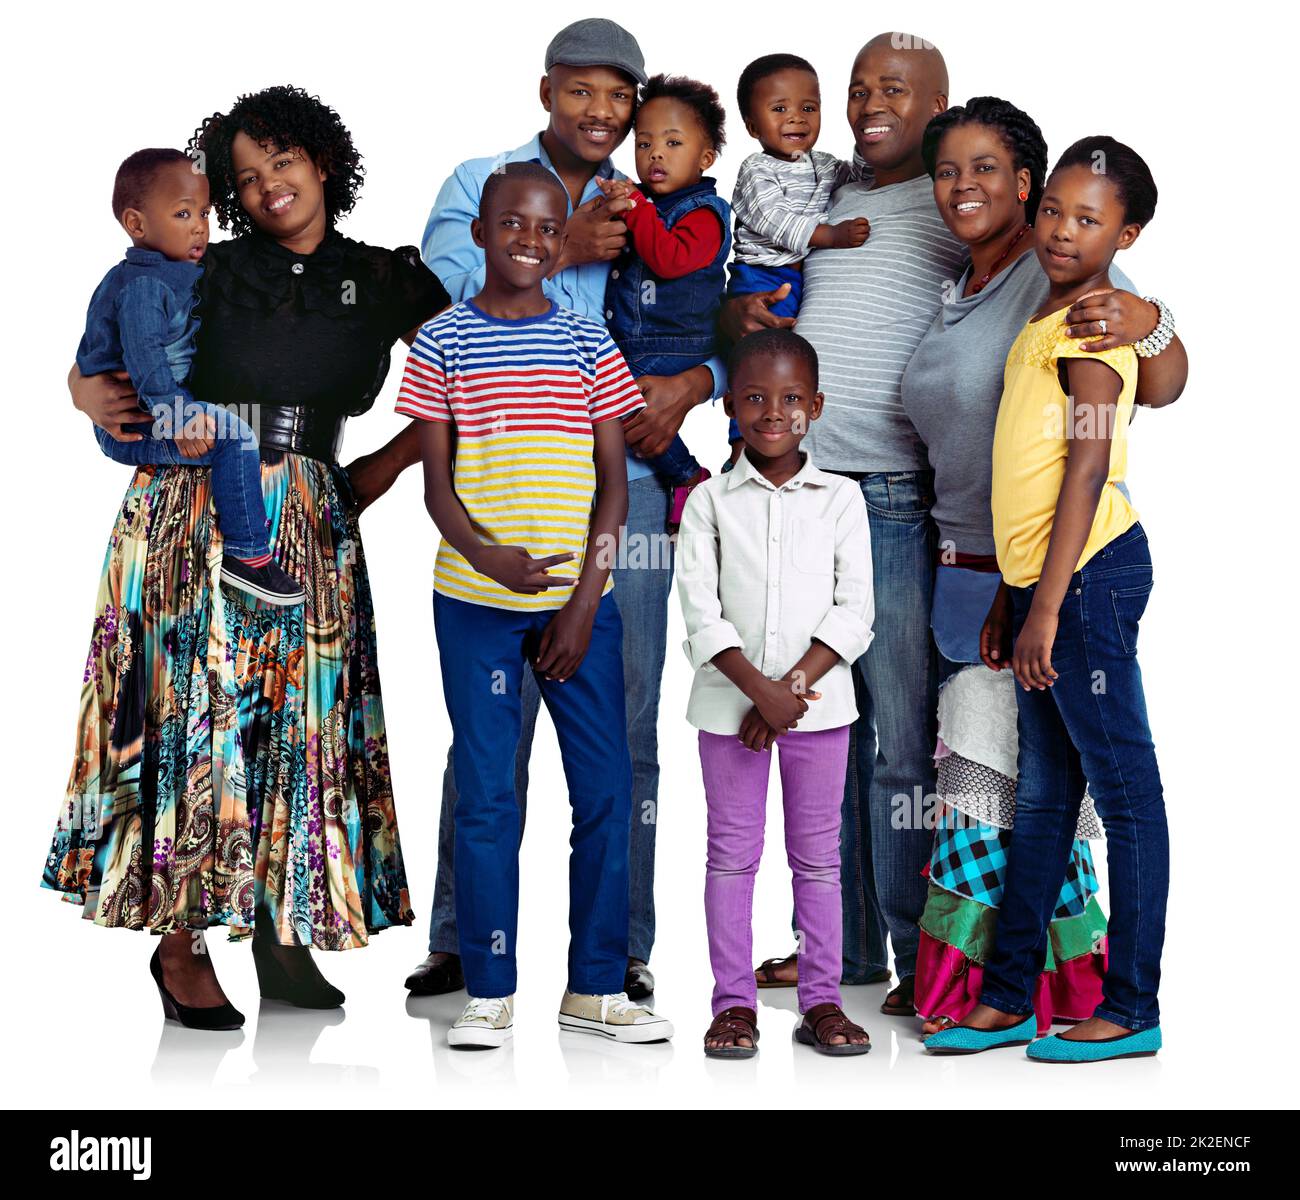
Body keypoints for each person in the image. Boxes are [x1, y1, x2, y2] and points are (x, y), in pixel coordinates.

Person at [48, 85, 448, 1028]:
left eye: (283, 162)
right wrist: (78, 388)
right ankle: (178, 948)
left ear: (322, 161)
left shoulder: (385, 274)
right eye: (245, 176)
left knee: (302, 716)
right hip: (191, 502)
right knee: (194, 712)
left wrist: (383, 468)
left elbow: (467, 368)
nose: (268, 186)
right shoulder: (202, 265)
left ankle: (284, 928)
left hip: (309, 501)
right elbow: (111, 336)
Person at [408, 18, 723, 1002]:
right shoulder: (479, 182)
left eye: (617, 98)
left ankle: (617, 949)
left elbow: (723, 306)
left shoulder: (655, 195)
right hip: (501, 470)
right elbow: (435, 299)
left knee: (623, 716)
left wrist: (703, 375)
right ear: (546, 90)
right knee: (486, 736)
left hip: (618, 476)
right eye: (581, 91)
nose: (601, 111)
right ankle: (463, 939)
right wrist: (559, 247)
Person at [902, 97, 1187, 1035]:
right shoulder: (1051, 309)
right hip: (1040, 582)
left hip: (1090, 578)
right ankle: (1009, 996)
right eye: (1056, 212)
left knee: (1124, 790)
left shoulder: (1102, 325)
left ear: (1127, 233)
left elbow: (1088, 466)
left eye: (1088, 219)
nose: (1064, 231)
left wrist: (1047, 605)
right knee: (1043, 791)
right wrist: (1016, 594)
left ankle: (1132, 1006)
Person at [399, 162, 674, 1048]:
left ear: (564, 243)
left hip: (579, 609)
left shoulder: (590, 341)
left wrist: (586, 602)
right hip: (475, 604)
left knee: (604, 788)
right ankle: (489, 984)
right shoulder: (441, 342)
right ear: (480, 233)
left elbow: (614, 491)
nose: (529, 239)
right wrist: (487, 557)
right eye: (511, 224)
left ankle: (596, 986)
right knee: (487, 794)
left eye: (548, 229)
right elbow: (437, 487)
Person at [733, 32, 964, 1012]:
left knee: (903, 745)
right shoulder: (819, 196)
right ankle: (846, 947)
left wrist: (1143, 323)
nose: (871, 103)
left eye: (895, 90)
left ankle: (916, 958)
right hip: (804, 498)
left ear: (938, 105)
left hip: (893, 499)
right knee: (825, 729)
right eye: (858, 88)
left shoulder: (953, 200)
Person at [679, 330, 873, 1058]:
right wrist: (757, 693)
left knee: (818, 860)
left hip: (818, 710)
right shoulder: (708, 501)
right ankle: (733, 1006)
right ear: (730, 406)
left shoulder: (843, 500)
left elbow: (855, 609)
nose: (773, 412)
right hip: (730, 705)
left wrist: (788, 692)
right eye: (756, 397)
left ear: (815, 407)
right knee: (731, 856)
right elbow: (701, 611)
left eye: (791, 399)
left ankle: (821, 1000)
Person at [78, 148, 302, 605]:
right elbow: (144, 359)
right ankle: (249, 557)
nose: (200, 225)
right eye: (183, 213)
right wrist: (177, 416)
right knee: (234, 437)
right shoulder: (145, 285)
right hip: (140, 420)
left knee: (231, 436)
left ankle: (245, 553)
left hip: (155, 412)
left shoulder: (173, 272)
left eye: (204, 212)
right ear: (137, 225)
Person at [718, 54, 869, 459]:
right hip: (763, 275)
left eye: (809, 108)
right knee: (761, 361)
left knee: (792, 364)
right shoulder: (756, 169)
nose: (796, 119)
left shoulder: (823, 165)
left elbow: (860, 176)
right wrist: (830, 235)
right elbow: (774, 220)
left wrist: (868, 139)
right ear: (752, 126)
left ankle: (790, 442)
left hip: (799, 276)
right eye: (779, 109)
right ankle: (739, 447)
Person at [599, 72, 731, 527]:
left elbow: (669, 260)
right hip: (641, 338)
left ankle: (686, 476)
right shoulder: (648, 202)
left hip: (678, 342)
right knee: (610, 402)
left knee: (619, 400)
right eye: (644, 142)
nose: (655, 153)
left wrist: (635, 207)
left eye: (673, 143)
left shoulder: (705, 214)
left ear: (705, 158)